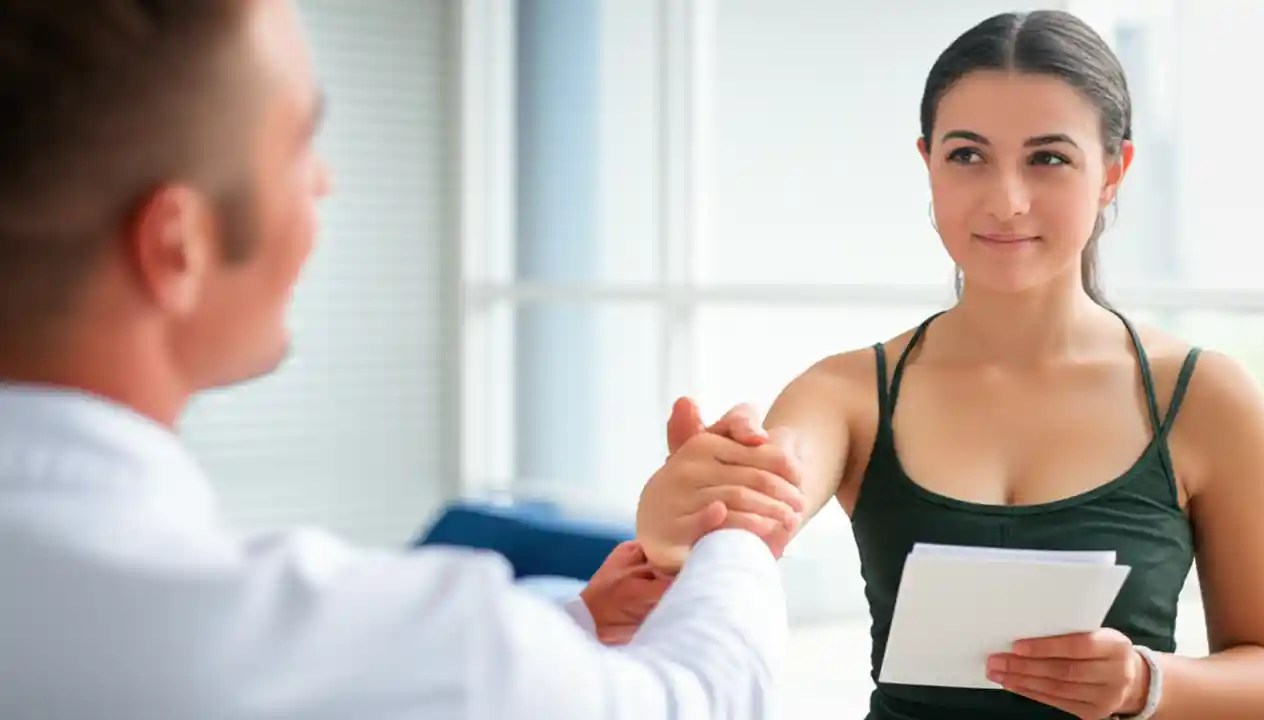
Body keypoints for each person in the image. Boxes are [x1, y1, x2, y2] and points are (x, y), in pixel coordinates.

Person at [0, 1, 807, 718]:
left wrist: (571, 631)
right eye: (297, 143)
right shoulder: (364, 643)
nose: (323, 182)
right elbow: (696, 702)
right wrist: (734, 536)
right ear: (180, 246)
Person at [638, 10, 1264, 720]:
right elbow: (765, 487)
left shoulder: (1202, 396)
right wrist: (681, 519)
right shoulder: (846, 393)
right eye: (967, 156)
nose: (1005, 202)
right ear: (929, 165)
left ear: (1113, 173)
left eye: (1049, 158)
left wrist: (1144, 684)